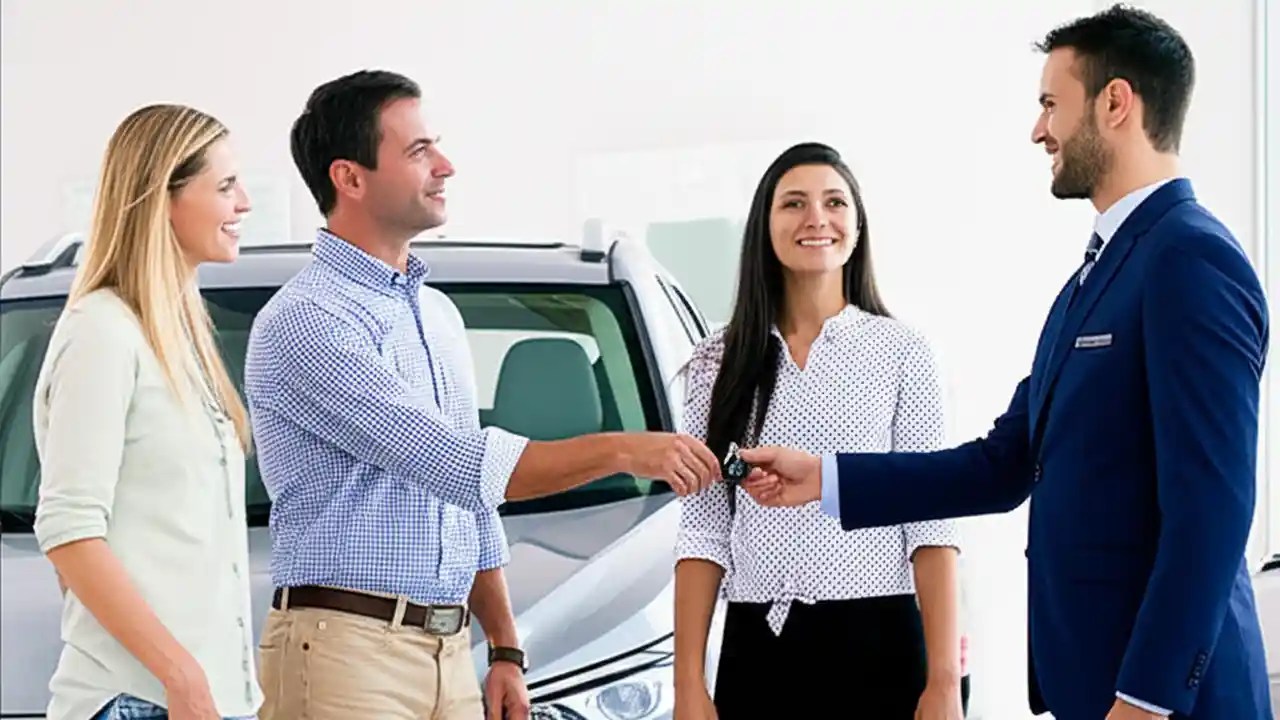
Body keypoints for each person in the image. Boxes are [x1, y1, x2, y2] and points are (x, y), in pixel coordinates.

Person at [738, 6, 1272, 720]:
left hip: (1164, 702)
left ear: (1116, 103)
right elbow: (1003, 463)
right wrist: (825, 478)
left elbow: (1213, 511)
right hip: (1096, 685)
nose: (1039, 129)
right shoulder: (1093, 280)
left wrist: (1144, 701)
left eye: (1052, 103)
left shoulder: (1190, 259)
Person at [242, 69, 720, 720]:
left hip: (447, 653)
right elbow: (463, 468)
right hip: (344, 656)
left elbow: (467, 509)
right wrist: (626, 450)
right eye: (417, 152)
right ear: (349, 178)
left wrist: (503, 649)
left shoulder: (434, 314)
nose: (446, 166)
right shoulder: (307, 322)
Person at [672, 142, 964, 719]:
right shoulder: (717, 361)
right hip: (760, 646)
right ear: (765, 224)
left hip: (882, 639)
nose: (816, 219)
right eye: (794, 203)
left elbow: (931, 521)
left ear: (857, 225)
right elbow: (703, 531)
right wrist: (688, 686)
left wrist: (945, 682)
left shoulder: (902, 352)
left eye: (835, 202)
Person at [32, 104, 259, 720]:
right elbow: (70, 531)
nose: (244, 204)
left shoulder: (181, 336)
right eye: (225, 186)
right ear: (164, 198)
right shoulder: (101, 332)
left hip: (203, 699)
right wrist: (179, 675)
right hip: (139, 701)